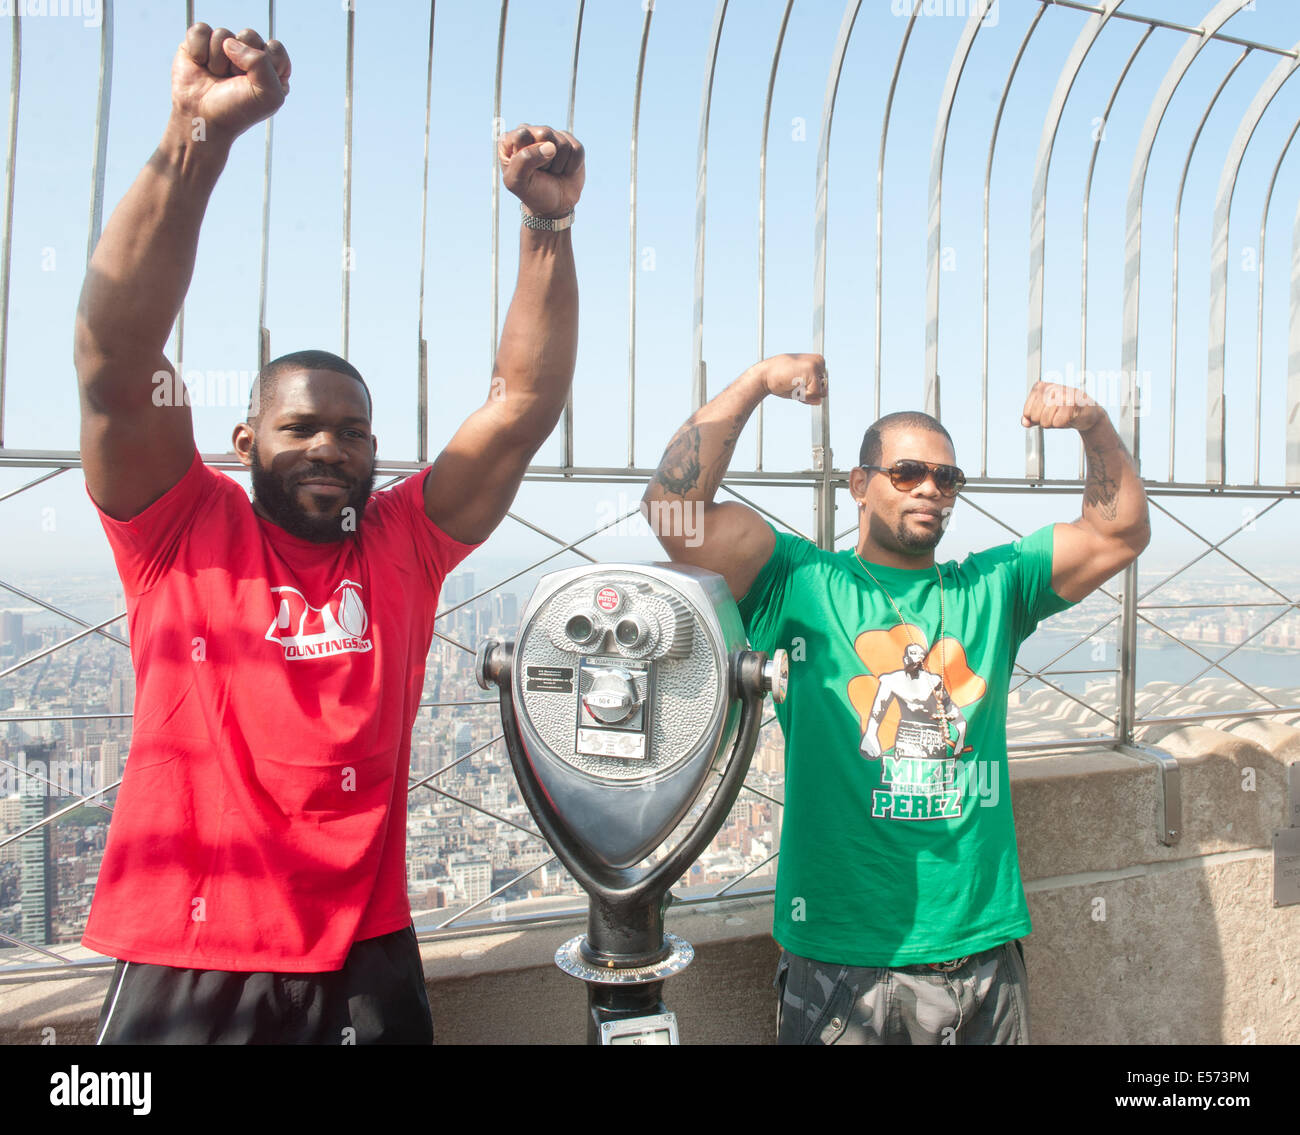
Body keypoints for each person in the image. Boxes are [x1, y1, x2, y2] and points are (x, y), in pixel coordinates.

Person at [76, 23, 584, 1044]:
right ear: (243, 436)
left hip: (366, 958)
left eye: (352, 433)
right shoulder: (179, 528)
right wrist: (195, 139)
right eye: (299, 427)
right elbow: (116, 354)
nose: (328, 449)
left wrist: (549, 230)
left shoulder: (401, 541)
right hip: (186, 954)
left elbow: (521, 406)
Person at [642, 353, 1150, 1044]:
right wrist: (758, 381)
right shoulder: (798, 581)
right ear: (858, 484)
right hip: (843, 961)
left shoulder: (993, 589)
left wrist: (1093, 423)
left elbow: (1119, 534)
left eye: (946, 478)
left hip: (981, 954)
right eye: (906, 472)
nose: (929, 490)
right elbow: (674, 511)